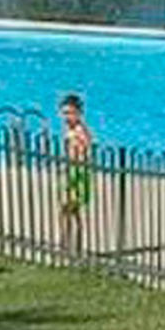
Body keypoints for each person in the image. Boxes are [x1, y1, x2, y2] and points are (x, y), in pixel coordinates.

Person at [59, 93, 93, 254]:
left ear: (79, 113)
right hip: (70, 171)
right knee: (67, 210)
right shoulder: (69, 128)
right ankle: (66, 243)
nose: (67, 117)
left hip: (79, 172)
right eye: (65, 113)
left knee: (71, 209)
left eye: (70, 113)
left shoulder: (81, 130)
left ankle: (72, 245)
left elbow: (87, 148)